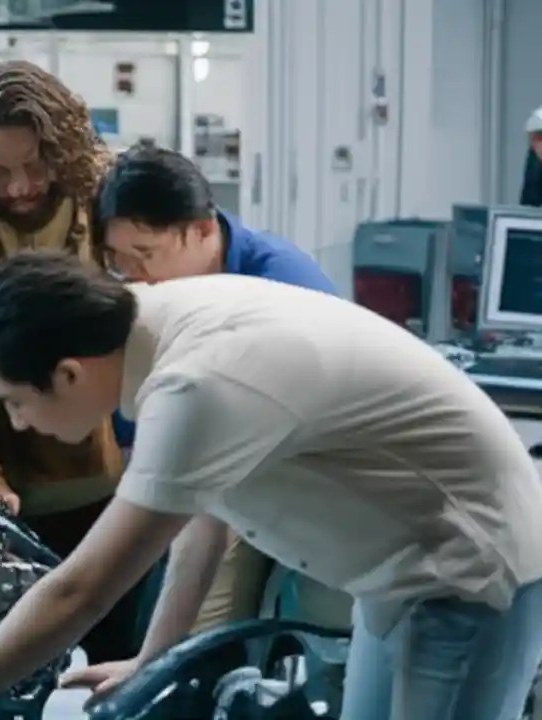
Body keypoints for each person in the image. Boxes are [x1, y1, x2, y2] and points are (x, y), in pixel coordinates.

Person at [0, 251, 542, 720]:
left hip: (468, 567)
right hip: (398, 568)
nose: (17, 422)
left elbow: (82, 589)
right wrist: (156, 660)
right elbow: (205, 514)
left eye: (12, 401)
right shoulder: (158, 321)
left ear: (66, 372)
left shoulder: (196, 383)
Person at [0, 61, 148, 663]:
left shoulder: (111, 207)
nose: (18, 187)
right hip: (10, 512)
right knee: (6, 679)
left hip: (126, 501)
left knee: (133, 674)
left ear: (64, 146)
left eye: (34, 165)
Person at [80, 145, 353, 686]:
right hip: (238, 478)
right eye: (118, 260)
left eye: (145, 253)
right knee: (179, 629)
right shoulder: (167, 296)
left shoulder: (282, 289)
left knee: (232, 641)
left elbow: (210, 491)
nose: (133, 276)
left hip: (322, 484)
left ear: (202, 231)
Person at [519, 105, 542, 206]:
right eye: (532, 140)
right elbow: (527, 203)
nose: (534, 146)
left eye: (539, 139)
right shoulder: (533, 160)